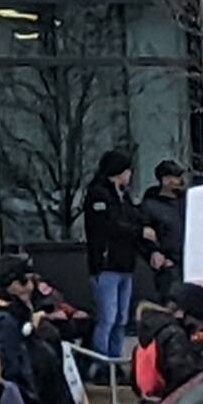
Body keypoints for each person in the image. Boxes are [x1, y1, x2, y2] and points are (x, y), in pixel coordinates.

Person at [79, 153, 148, 358]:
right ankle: (101, 362)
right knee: (107, 317)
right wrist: (138, 232)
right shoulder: (98, 195)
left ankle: (115, 358)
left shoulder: (123, 196)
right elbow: (108, 226)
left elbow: (134, 217)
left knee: (121, 318)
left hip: (125, 264)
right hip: (106, 264)